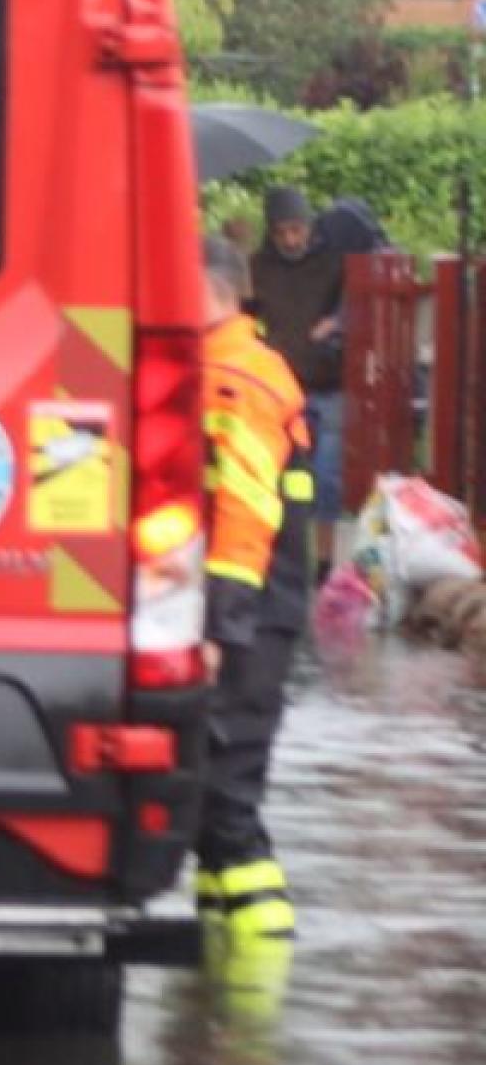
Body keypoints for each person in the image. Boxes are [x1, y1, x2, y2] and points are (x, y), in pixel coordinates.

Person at [198, 233, 315, 960]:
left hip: (252, 608)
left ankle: (258, 972)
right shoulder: (225, 365)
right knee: (216, 797)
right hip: (247, 605)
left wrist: (221, 624)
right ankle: (221, 952)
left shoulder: (239, 377)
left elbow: (243, 513)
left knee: (229, 786)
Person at [248, 185, 345, 551]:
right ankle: (281, 552)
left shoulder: (335, 262)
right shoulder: (258, 267)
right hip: (277, 390)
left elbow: (355, 304)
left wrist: (336, 322)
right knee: (276, 475)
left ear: (310, 226)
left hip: (327, 384)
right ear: (270, 233)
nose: (290, 239)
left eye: (297, 229)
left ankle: (322, 559)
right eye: (282, 232)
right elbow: (243, 313)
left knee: (327, 481)